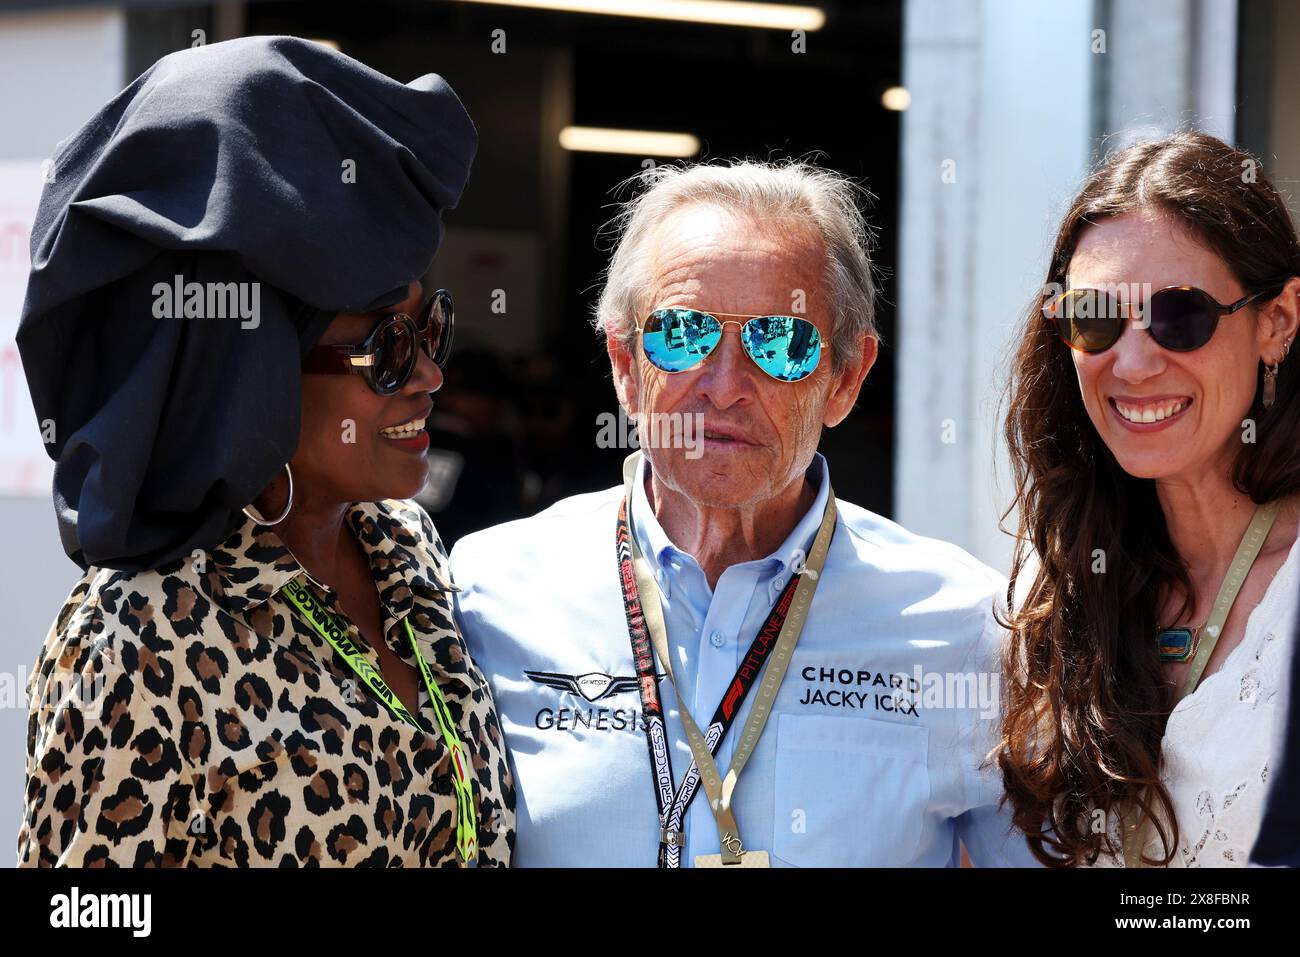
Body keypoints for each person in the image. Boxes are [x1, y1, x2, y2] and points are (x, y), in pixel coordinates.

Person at [451, 160, 1039, 867]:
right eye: (682, 334)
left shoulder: (967, 626)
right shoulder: (483, 594)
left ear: (846, 377)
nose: (725, 386)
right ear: (624, 366)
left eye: (781, 342)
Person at [16, 36, 514, 867]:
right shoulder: (137, 636)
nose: (429, 371)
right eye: (386, 346)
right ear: (255, 374)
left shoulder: (406, 546)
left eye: (434, 326)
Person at [998, 130, 1300, 867]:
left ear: (1278, 322)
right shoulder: (1061, 588)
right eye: (1095, 317)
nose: (1132, 363)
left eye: (1180, 314)